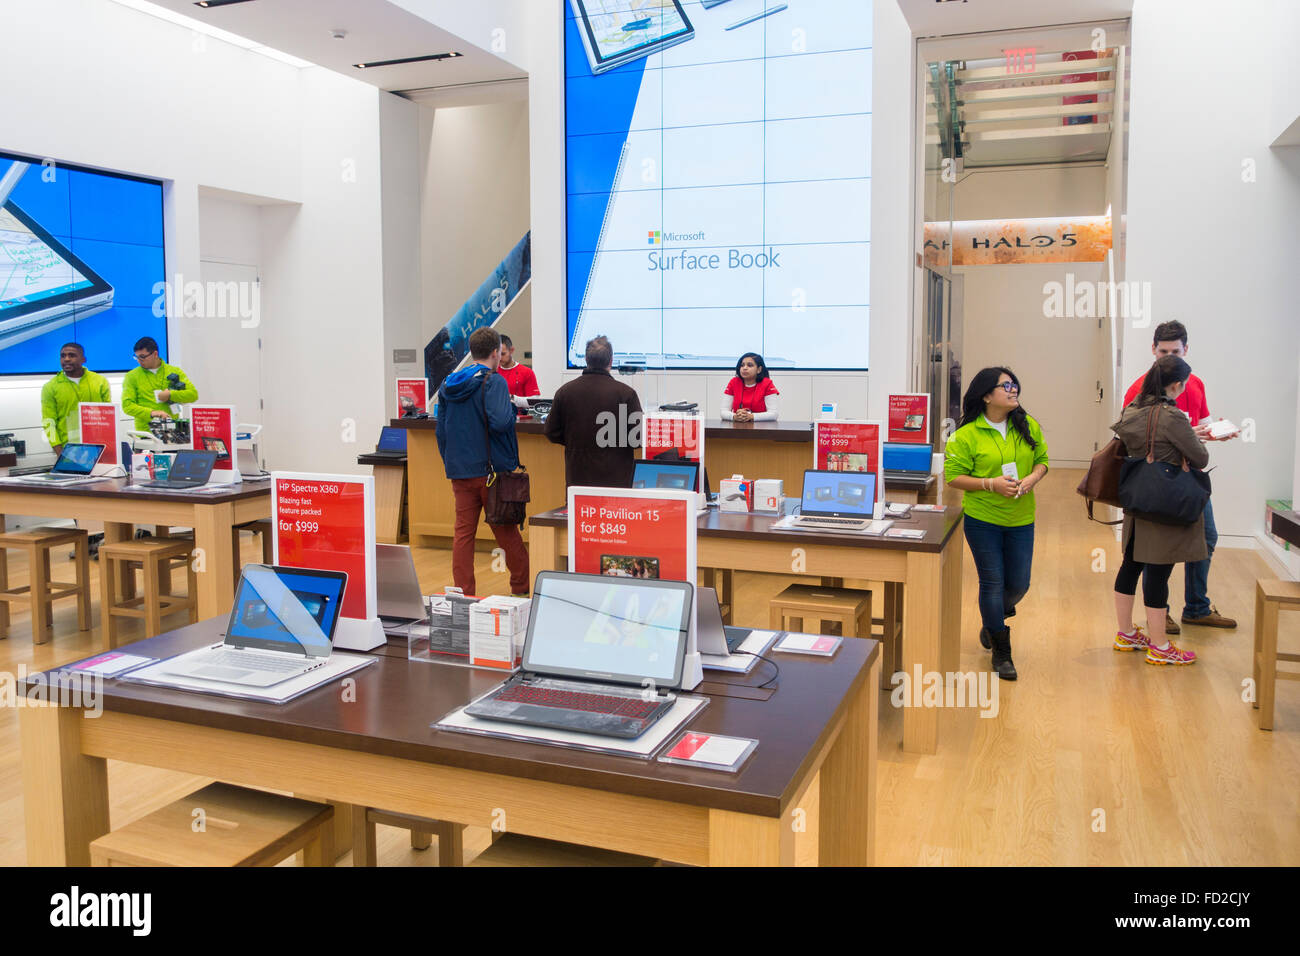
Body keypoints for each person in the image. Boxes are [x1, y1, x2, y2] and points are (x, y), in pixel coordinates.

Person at [1121, 320, 1236, 632]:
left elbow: (1202, 424)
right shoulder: (1138, 390)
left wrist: (1212, 432)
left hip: (1189, 481)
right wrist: (1186, 435)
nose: (1168, 357)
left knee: (1206, 538)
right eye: (1163, 351)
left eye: (1175, 351)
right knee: (1153, 553)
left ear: (1186, 350)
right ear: (1153, 350)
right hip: (1156, 484)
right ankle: (1161, 614)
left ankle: (1197, 607)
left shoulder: (1194, 383)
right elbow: (1131, 438)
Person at [944, 367, 1050, 680]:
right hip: (983, 520)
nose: (1013, 389)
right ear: (987, 395)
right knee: (992, 582)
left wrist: (1031, 479)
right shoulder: (966, 435)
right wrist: (991, 484)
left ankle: (991, 621)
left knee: (1019, 584)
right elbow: (954, 478)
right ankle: (1001, 650)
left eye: (1014, 384)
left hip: (1021, 518)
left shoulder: (1027, 425)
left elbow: (1043, 460)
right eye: (1005, 386)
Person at [1111, 355, 1209, 665]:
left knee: (1131, 565)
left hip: (1138, 500)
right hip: (1165, 504)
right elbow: (1200, 457)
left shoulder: (1132, 411)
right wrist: (1193, 437)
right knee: (1158, 572)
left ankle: (1126, 633)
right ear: (1177, 385)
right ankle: (1160, 646)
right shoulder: (1173, 416)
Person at [435, 327, 530, 596]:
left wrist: (451, 462)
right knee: (505, 531)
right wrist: (511, 409)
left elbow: (441, 431)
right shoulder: (495, 382)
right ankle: (522, 587)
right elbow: (500, 422)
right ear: (494, 353)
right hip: (492, 472)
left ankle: (464, 593)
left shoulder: (449, 383)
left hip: (460, 471)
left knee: (463, 534)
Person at [545, 335, 642, 487]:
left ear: (586, 359)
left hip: (578, 481)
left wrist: (574, 441)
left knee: (579, 511)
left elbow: (552, 432)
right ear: (610, 361)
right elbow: (638, 438)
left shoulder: (564, 392)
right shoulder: (626, 394)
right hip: (617, 482)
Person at [40, 342, 112, 455]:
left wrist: (110, 446)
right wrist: (59, 452)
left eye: (72, 355)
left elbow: (108, 417)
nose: (66, 359)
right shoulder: (51, 387)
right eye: (63, 356)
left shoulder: (100, 382)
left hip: (99, 448)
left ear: (83, 359)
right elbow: (48, 423)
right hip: (69, 451)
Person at [121, 336, 198, 431]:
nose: (139, 360)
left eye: (143, 357)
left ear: (155, 354)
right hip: (146, 434)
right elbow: (127, 406)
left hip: (172, 432)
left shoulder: (174, 371)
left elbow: (193, 395)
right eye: (136, 357)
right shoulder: (132, 376)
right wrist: (153, 413)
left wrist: (170, 394)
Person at [722, 352, 780, 422]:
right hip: (737, 427)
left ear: (759, 369)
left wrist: (751, 416)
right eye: (742, 365)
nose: (745, 368)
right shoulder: (734, 382)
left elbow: (774, 414)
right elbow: (723, 412)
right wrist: (734, 416)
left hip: (761, 428)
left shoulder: (767, 384)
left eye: (750, 365)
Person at [496, 334, 540, 416]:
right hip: (496, 420)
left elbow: (535, 401)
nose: (499, 358)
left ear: (511, 350)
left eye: (503, 354)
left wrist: (512, 398)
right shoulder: (492, 372)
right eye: (497, 354)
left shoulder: (527, 372)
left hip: (519, 420)